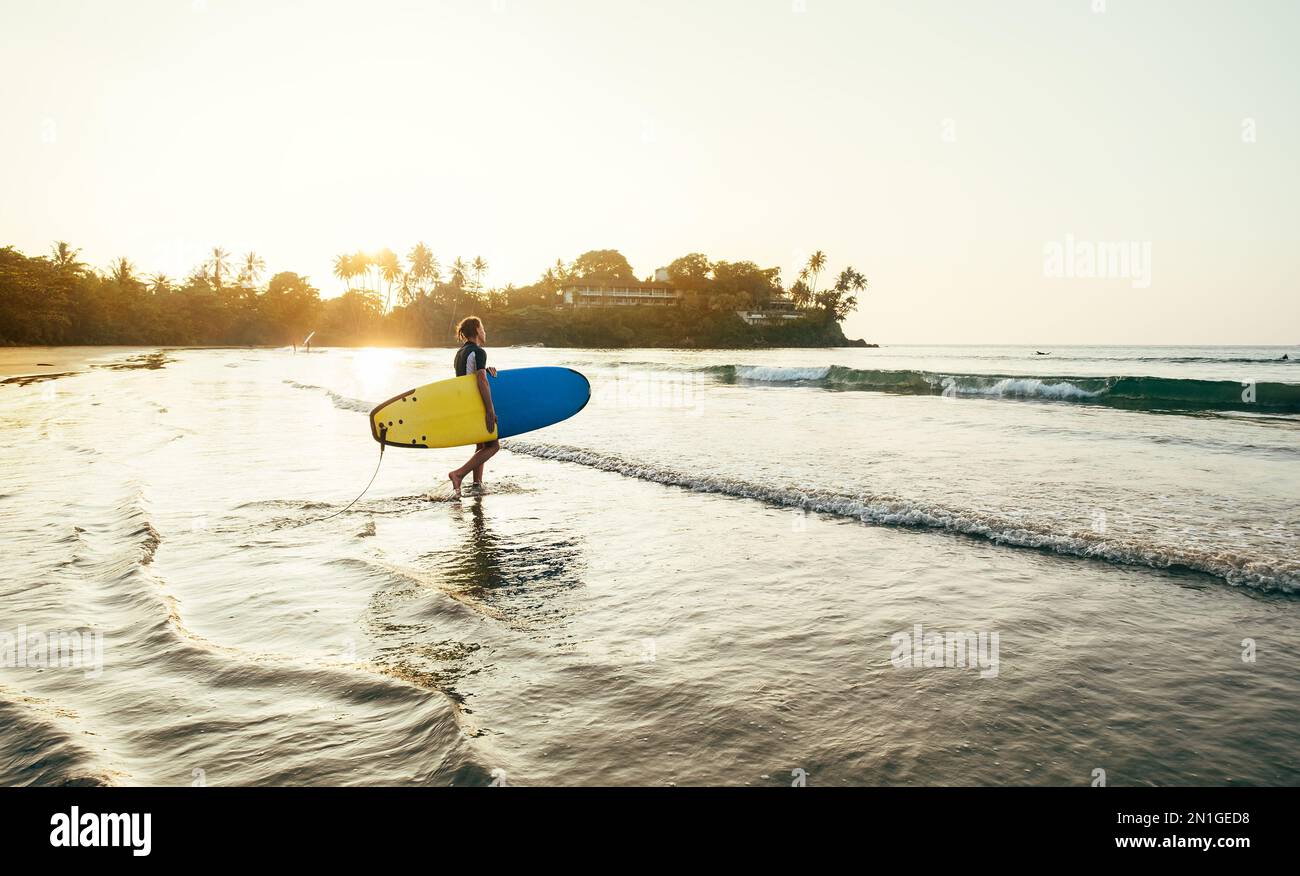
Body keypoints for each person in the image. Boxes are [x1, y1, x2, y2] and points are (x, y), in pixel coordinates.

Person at [447, 316, 499, 497]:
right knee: (493, 446)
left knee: (481, 445)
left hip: (465, 404)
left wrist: (486, 369)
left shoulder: (460, 353)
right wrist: (490, 410)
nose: (485, 331)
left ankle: (477, 484)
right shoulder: (478, 351)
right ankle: (458, 474)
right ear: (477, 330)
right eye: (483, 327)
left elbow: (470, 376)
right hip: (476, 405)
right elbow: (480, 381)